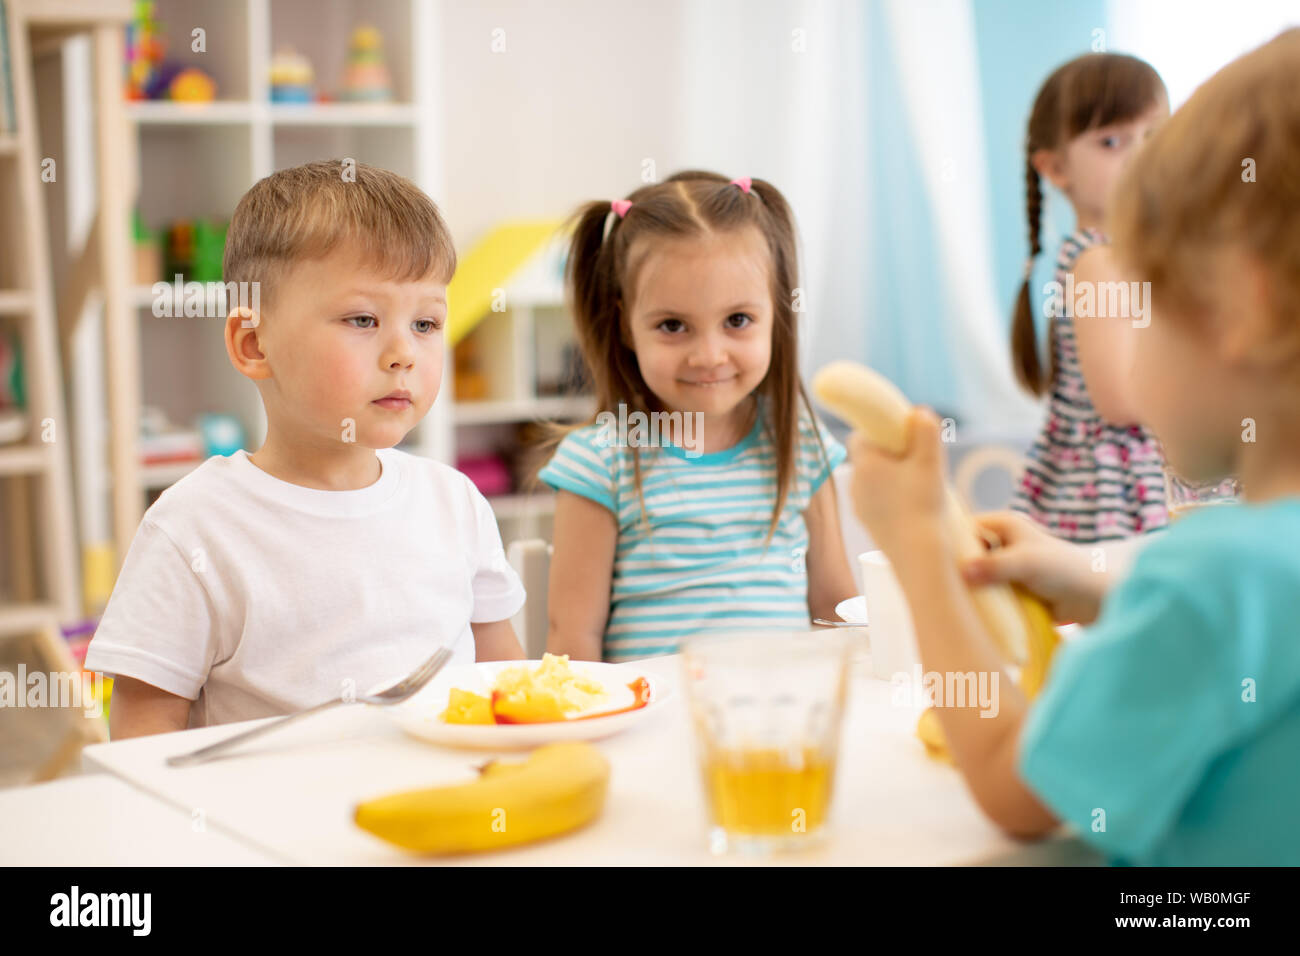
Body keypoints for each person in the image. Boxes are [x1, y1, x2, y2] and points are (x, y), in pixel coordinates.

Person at [848, 30, 1300, 864]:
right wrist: (1096, 586)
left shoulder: (1213, 576)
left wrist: (915, 551)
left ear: (1240, 309)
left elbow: (1019, 794)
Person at [86, 161, 525, 737]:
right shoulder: (194, 527)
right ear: (254, 344)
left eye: (425, 323)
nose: (404, 353)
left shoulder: (456, 502)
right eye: (363, 319)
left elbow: (508, 683)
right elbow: (145, 728)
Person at [539, 171, 858, 661]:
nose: (709, 355)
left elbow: (835, 616)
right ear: (626, 326)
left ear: (776, 314)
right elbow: (573, 643)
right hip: (652, 729)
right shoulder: (600, 460)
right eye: (673, 325)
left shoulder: (801, 445)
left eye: (737, 321)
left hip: (785, 723)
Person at [1008, 52, 1175, 541]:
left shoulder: (1126, 256)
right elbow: (1120, 401)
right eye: (1112, 141)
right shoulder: (1098, 262)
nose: (1142, 155)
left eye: (1155, 136)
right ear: (1056, 168)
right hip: (1110, 494)